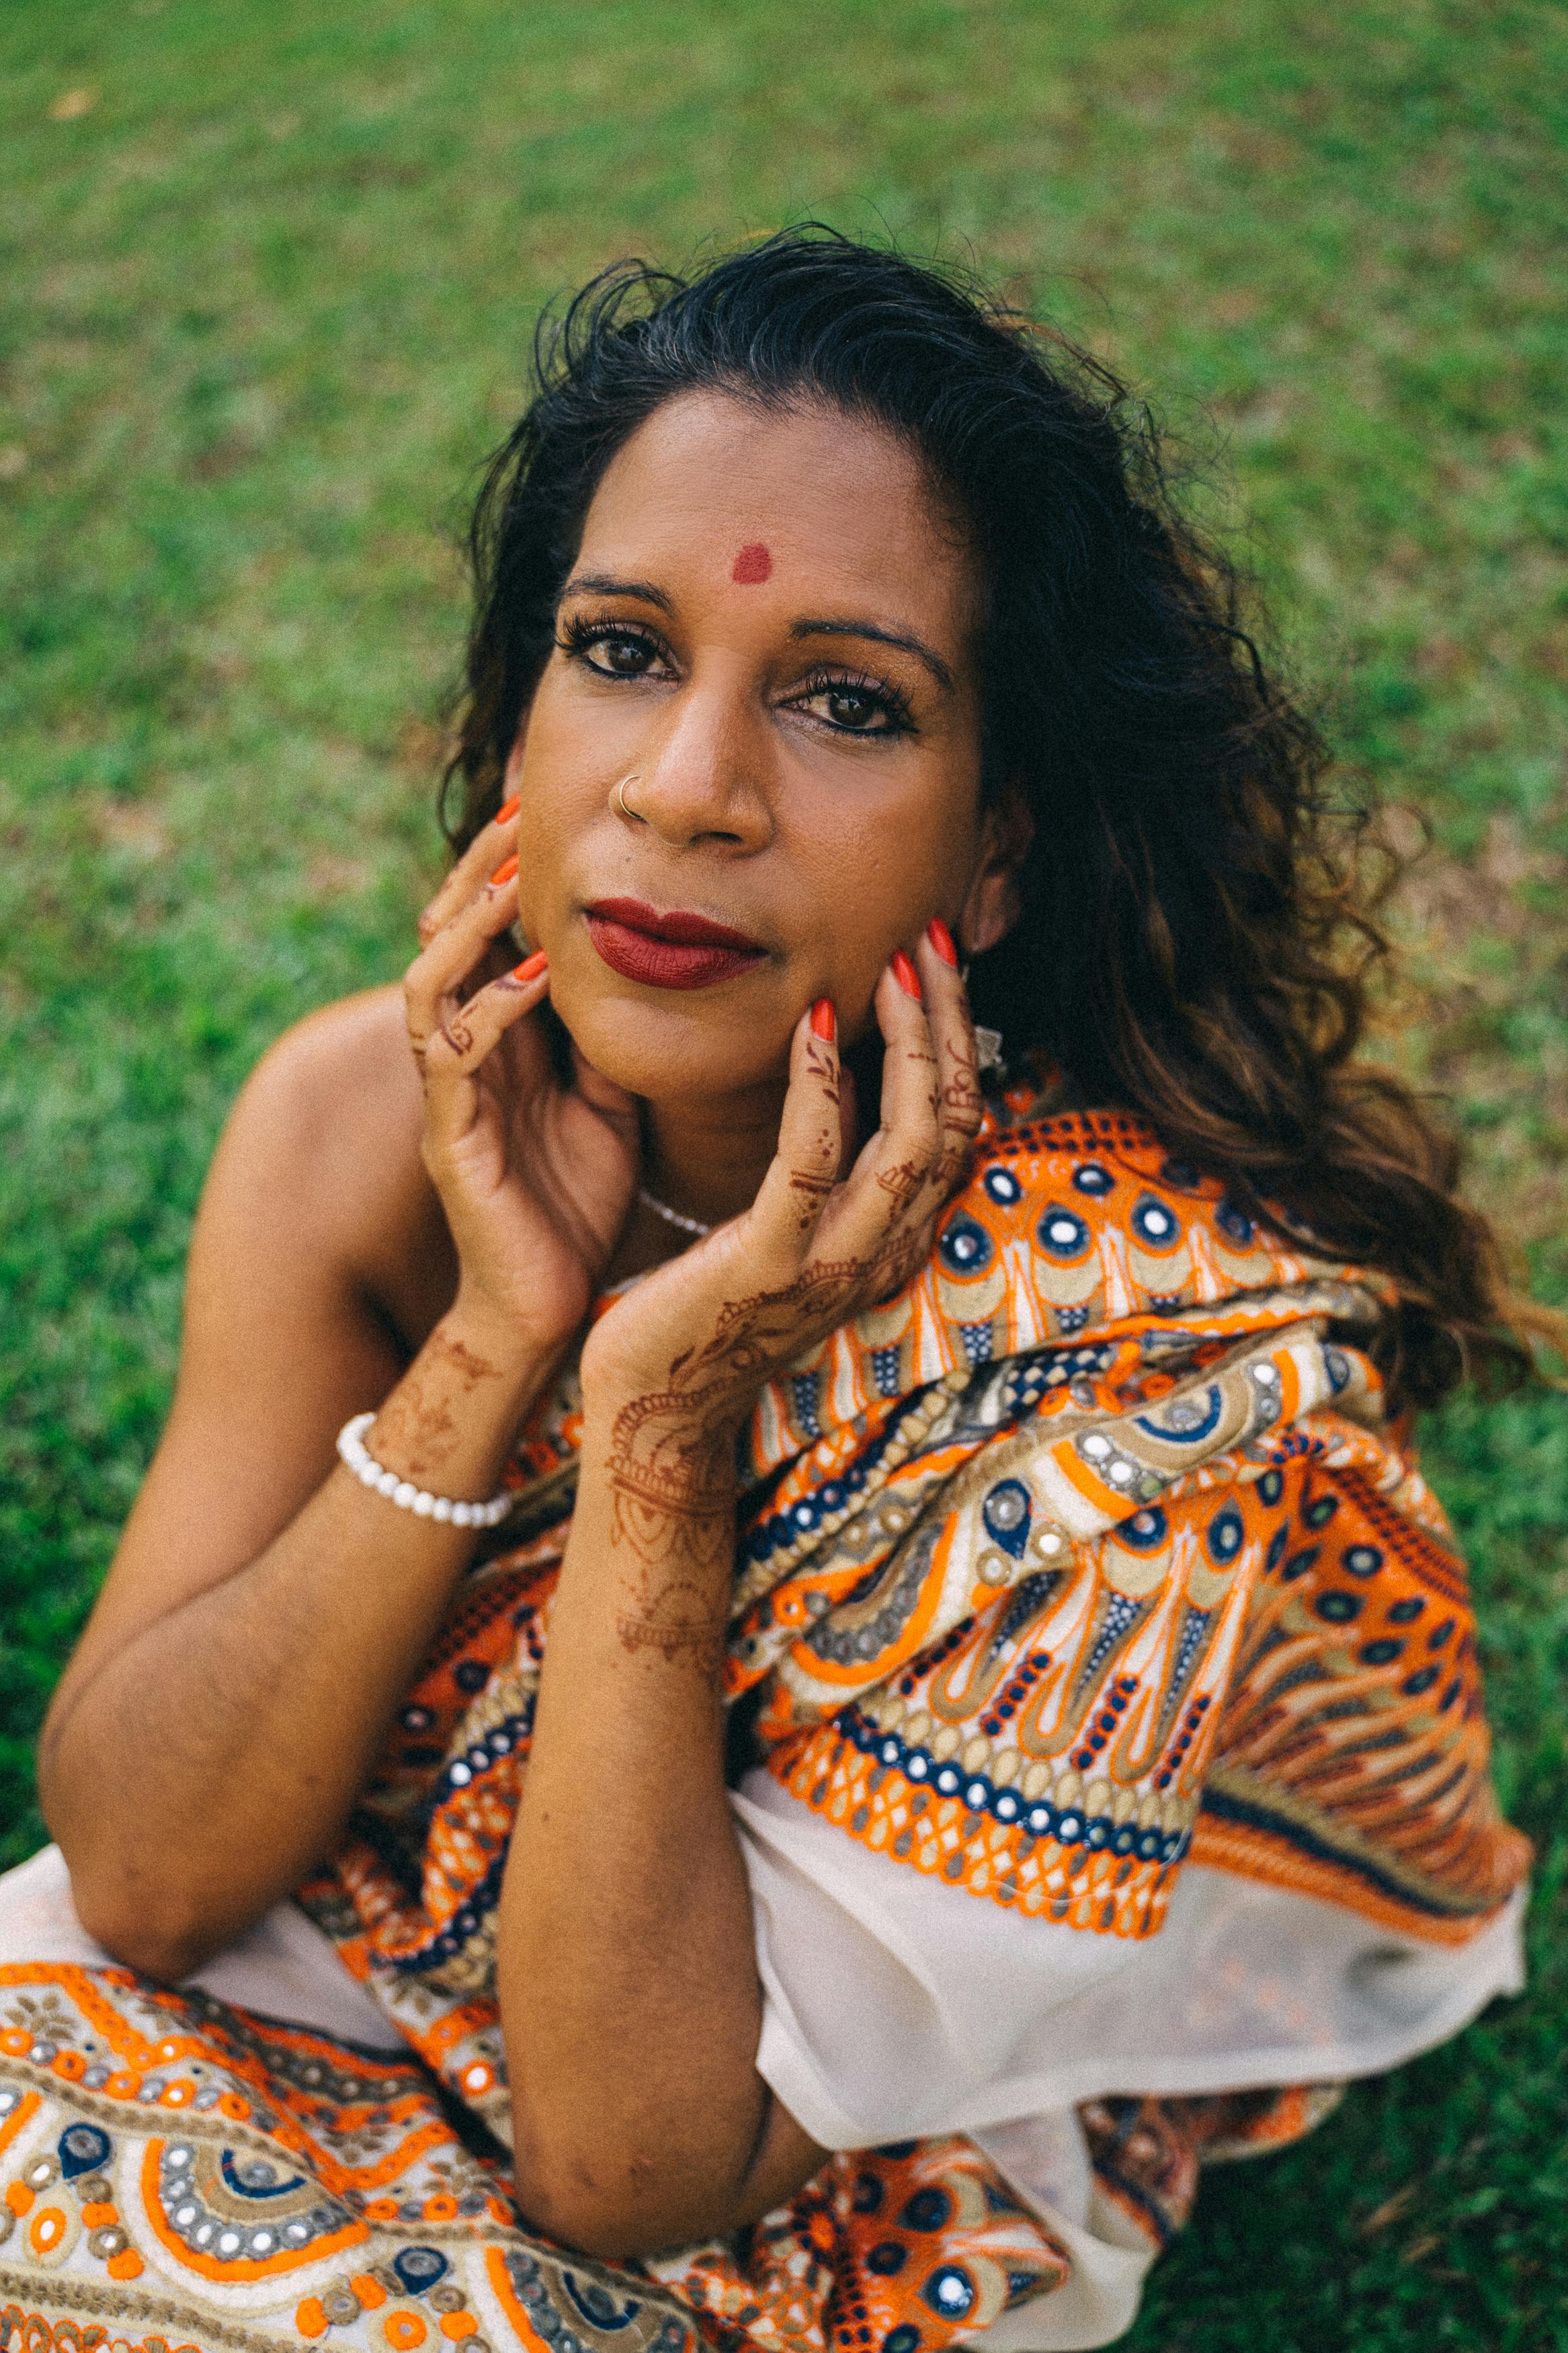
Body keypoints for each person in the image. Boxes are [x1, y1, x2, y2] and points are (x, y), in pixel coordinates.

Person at [0, 229, 1545, 2353]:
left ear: (996, 847)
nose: (684, 788)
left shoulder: (1157, 1398)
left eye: (844, 701)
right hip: (348, 1959)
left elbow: (632, 2167)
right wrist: (489, 1342)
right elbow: (150, 1880)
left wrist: (660, 1430)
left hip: (839, 2164)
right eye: (620, 650)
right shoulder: (361, 1127)